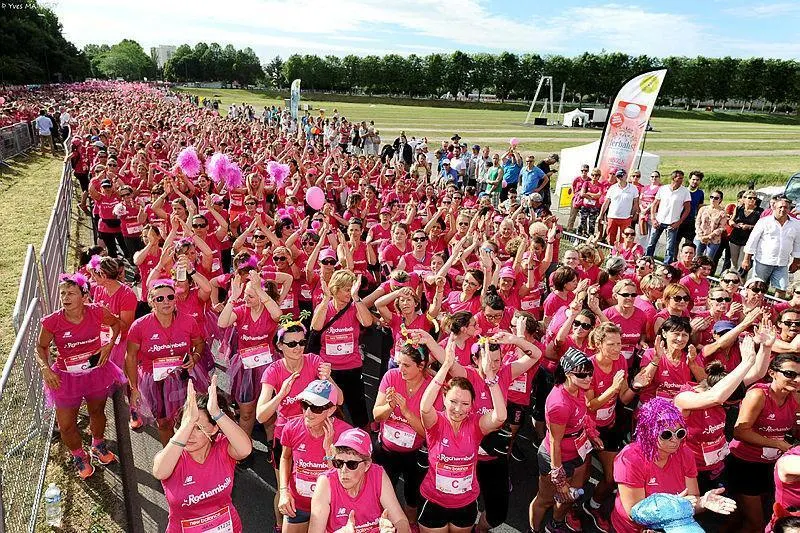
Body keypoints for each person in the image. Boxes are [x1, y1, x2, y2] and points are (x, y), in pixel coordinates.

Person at [37, 273, 124, 479]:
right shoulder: (52, 322)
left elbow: (117, 324)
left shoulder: (96, 311)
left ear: (84, 296)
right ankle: (79, 455)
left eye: (71, 293)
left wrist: (108, 346)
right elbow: (41, 347)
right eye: (63, 293)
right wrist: (45, 368)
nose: (65, 297)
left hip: (96, 373)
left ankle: (98, 445)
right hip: (65, 377)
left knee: (97, 412)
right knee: (66, 425)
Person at [417, 337, 507, 533]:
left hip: (465, 503)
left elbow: (500, 416)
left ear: (472, 405)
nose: (458, 409)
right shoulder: (436, 422)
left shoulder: (475, 425)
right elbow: (424, 407)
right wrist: (446, 366)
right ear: (444, 399)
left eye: (465, 404)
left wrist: (490, 375)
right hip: (435, 501)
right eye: (453, 402)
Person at [611, 397, 737, 533]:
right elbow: (634, 513)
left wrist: (702, 502)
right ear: (649, 433)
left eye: (680, 433)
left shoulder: (685, 453)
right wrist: (672, 507)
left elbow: (692, 499)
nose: (675, 440)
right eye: (666, 434)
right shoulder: (631, 459)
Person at [152, 378, 252, 533]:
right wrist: (189, 422)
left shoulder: (222, 448)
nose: (189, 435)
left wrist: (216, 413)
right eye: (186, 426)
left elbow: (245, 450)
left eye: (198, 428)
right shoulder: (172, 456)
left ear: (213, 430)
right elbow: (159, 472)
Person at [126, 279, 209, 445]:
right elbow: (131, 357)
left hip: (184, 377)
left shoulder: (188, 321)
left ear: (175, 299)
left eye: (170, 297)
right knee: (163, 423)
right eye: (160, 298)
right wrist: (133, 388)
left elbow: (200, 343)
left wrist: (195, 357)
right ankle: (171, 459)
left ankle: (191, 456)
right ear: (151, 301)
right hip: (155, 381)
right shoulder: (139, 326)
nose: (166, 302)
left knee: (190, 418)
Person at [727, 353, 800, 533]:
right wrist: (779, 444)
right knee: (755, 523)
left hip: (771, 465)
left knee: (743, 517)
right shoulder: (759, 394)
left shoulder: (795, 396)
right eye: (790, 374)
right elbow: (739, 431)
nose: (796, 379)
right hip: (745, 464)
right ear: (772, 373)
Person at [529, 348, 600, 533]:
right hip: (558, 458)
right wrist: (559, 477)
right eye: (582, 375)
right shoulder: (559, 404)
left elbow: (581, 417)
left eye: (590, 374)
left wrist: (591, 433)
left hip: (578, 451)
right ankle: (534, 530)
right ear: (567, 374)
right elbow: (555, 442)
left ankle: (556, 523)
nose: (588, 378)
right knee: (545, 500)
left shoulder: (579, 389)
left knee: (569, 496)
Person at [278, 380, 351, 533]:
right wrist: (284, 491)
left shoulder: (346, 435)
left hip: (330, 507)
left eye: (316, 408)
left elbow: (348, 477)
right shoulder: (291, 428)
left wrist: (328, 451)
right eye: (305, 405)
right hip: (298, 504)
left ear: (331, 410)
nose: (308, 413)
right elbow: (285, 457)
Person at [308, 428, 411, 533]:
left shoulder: (377, 474)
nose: (343, 470)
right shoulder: (325, 483)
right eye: (338, 463)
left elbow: (401, 521)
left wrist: (393, 531)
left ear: (367, 465)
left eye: (352, 464)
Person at [310, 269, 374, 428]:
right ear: (335, 289)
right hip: (329, 369)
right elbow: (316, 327)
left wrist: (356, 297)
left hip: (352, 367)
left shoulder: (354, 307)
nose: (349, 292)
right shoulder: (325, 307)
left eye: (352, 288)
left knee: (357, 409)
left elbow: (367, 322)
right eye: (347, 289)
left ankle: (363, 441)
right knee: (329, 408)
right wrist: (325, 300)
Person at [742, 194, 800, 295]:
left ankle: (776, 309)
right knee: (757, 287)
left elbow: (797, 243)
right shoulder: (764, 221)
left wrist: (796, 261)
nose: (783, 209)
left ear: (789, 209)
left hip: (782, 263)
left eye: (786, 207)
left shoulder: (796, 224)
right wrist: (746, 259)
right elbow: (752, 240)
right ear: (774, 207)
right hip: (763, 261)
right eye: (780, 207)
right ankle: (754, 307)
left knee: (782, 288)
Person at [645, 170, 692, 265]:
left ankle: (666, 266)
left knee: (670, 247)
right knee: (651, 243)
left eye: (682, 178)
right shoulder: (663, 189)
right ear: (673, 178)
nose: (681, 180)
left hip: (673, 222)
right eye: (679, 178)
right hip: (659, 220)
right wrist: (653, 218)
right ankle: (647, 261)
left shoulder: (685, 191)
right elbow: (654, 204)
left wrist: (679, 222)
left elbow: (687, 208)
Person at [599, 169, 639, 246]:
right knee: (610, 236)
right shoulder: (612, 188)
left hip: (626, 217)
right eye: (618, 176)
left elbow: (635, 203)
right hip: (612, 216)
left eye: (621, 176)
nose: (619, 178)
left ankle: (621, 253)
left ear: (626, 176)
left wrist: (633, 214)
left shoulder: (633, 188)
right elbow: (606, 203)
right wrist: (601, 214)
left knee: (623, 238)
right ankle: (611, 251)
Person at [729, 190, 762, 272]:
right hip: (735, 237)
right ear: (744, 199)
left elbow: (761, 226)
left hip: (748, 240)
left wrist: (749, 226)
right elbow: (731, 220)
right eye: (750, 198)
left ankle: (741, 283)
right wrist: (734, 224)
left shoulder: (759, 211)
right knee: (734, 264)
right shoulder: (739, 208)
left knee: (742, 264)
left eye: (754, 198)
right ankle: (733, 281)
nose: (752, 200)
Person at [694, 189, 727, 259]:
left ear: (720, 200)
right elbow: (697, 222)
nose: (713, 199)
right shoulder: (703, 209)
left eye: (716, 198)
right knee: (696, 257)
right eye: (711, 197)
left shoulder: (722, 212)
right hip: (700, 237)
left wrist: (709, 236)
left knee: (708, 259)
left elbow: (721, 228)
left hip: (714, 239)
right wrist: (701, 236)